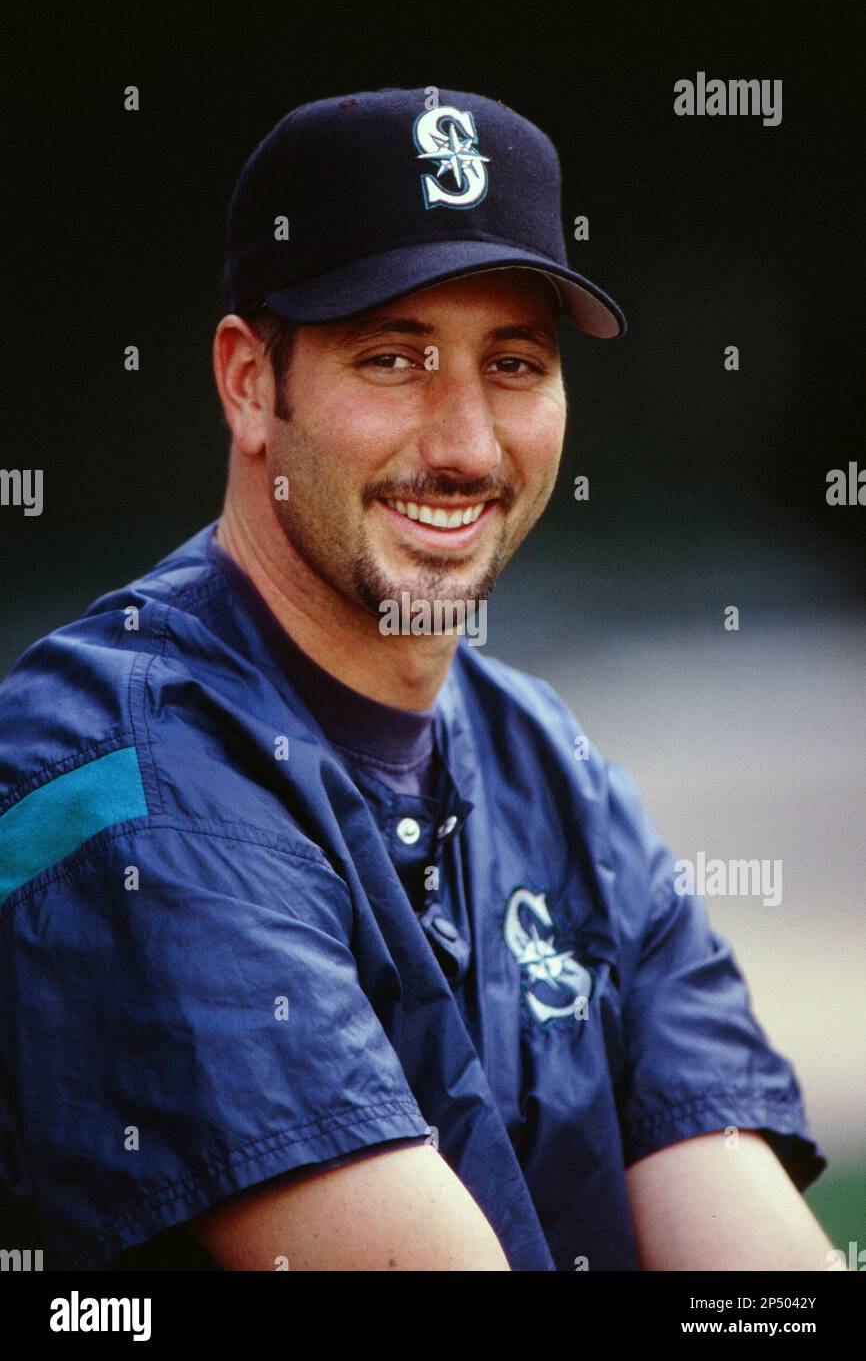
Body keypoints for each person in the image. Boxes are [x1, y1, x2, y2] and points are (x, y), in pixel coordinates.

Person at [0, 87, 833, 1271]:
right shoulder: (120, 766)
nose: (465, 445)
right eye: (391, 359)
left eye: (513, 363)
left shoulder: (551, 763)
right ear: (248, 382)